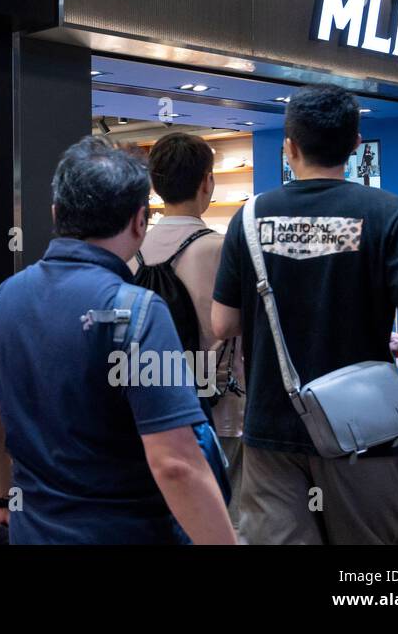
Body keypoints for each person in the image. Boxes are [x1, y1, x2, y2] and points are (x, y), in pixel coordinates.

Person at [0, 136, 235, 545]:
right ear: (140, 221)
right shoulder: (138, 313)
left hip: (33, 531)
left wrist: (3, 500)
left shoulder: (0, 300)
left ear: (57, 212)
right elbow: (175, 463)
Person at [211, 84, 398, 545]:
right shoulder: (392, 214)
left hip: (272, 428)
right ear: (356, 146)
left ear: (289, 146)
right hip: (364, 430)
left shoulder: (250, 217)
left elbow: (223, 325)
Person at [135, 132, 245, 521]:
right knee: (223, 512)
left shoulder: (133, 249)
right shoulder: (223, 249)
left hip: (150, 398)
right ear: (207, 183)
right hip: (219, 404)